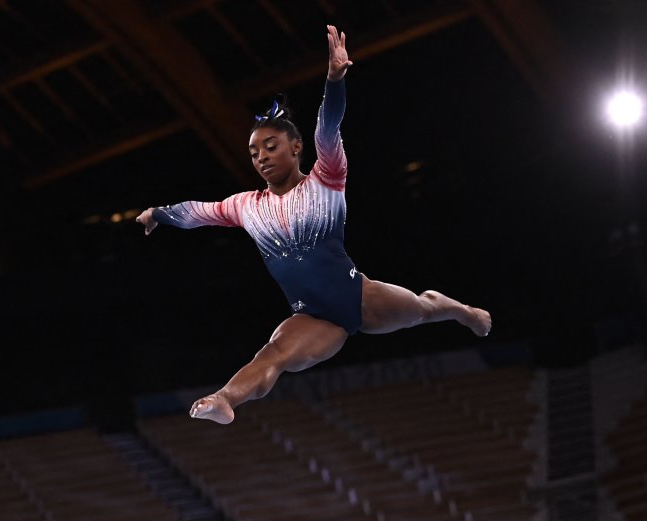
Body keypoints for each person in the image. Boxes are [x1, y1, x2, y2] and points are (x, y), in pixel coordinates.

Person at [136, 25, 491, 425]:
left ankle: (464, 312)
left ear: (296, 147)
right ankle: (224, 399)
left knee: (424, 309)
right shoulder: (246, 206)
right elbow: (197, 212)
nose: (262, 158)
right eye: (254, 153)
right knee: (273, 353)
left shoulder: (326, 179)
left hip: (358, 296)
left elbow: (328, 127)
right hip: (312, 317)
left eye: (271, 147)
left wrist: (335, 80)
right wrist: (159, 213)